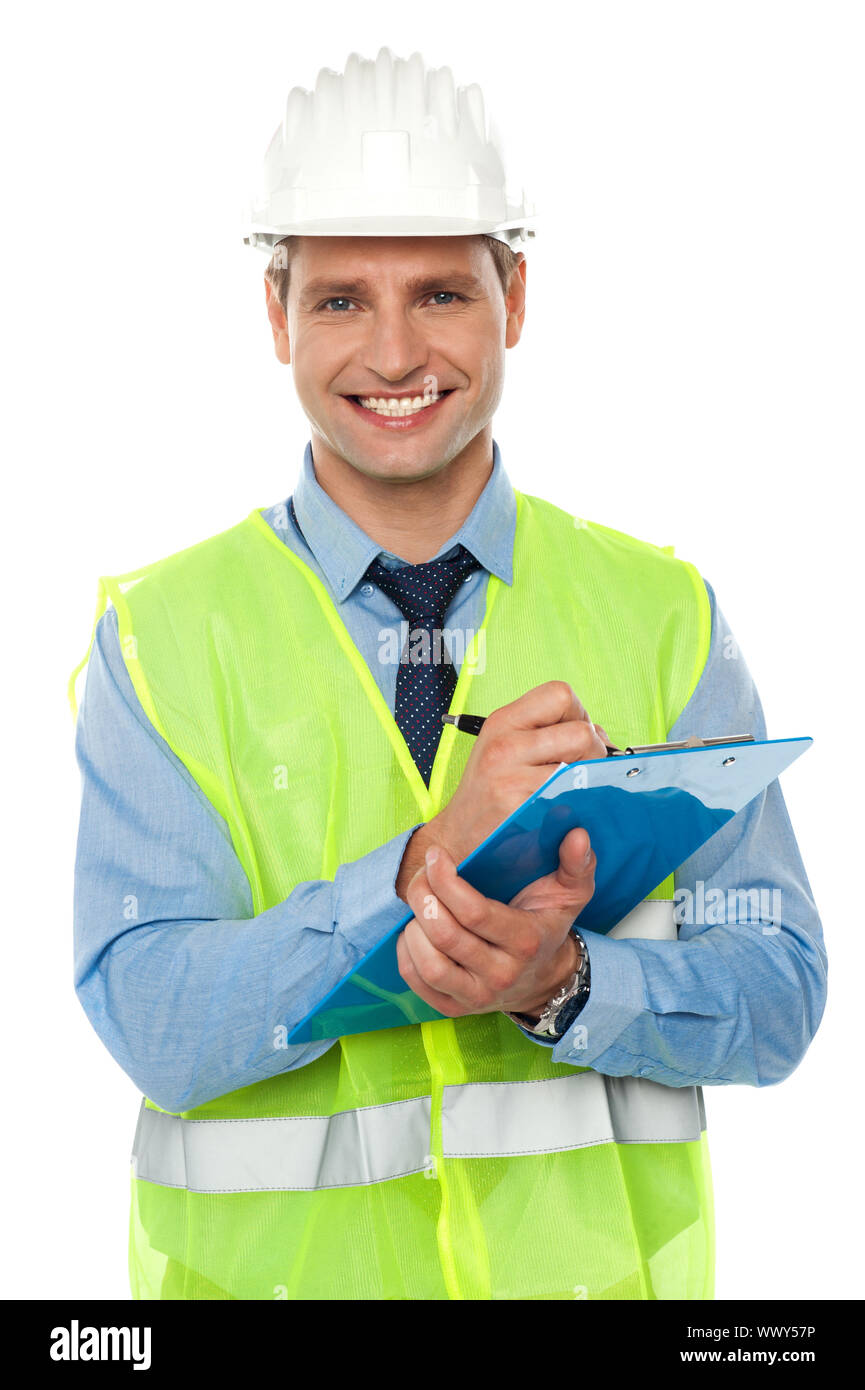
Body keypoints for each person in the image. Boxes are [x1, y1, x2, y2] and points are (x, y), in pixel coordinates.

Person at [70, 48, 826, 1301]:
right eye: (338, 301)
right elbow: (151, 1018)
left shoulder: (660, 614)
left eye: (439, 292)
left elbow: (779, 983)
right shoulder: (164, 632)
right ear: (276, 316)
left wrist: (567, 984)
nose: (393, 350)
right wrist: (413, 878)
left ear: (513, 297)